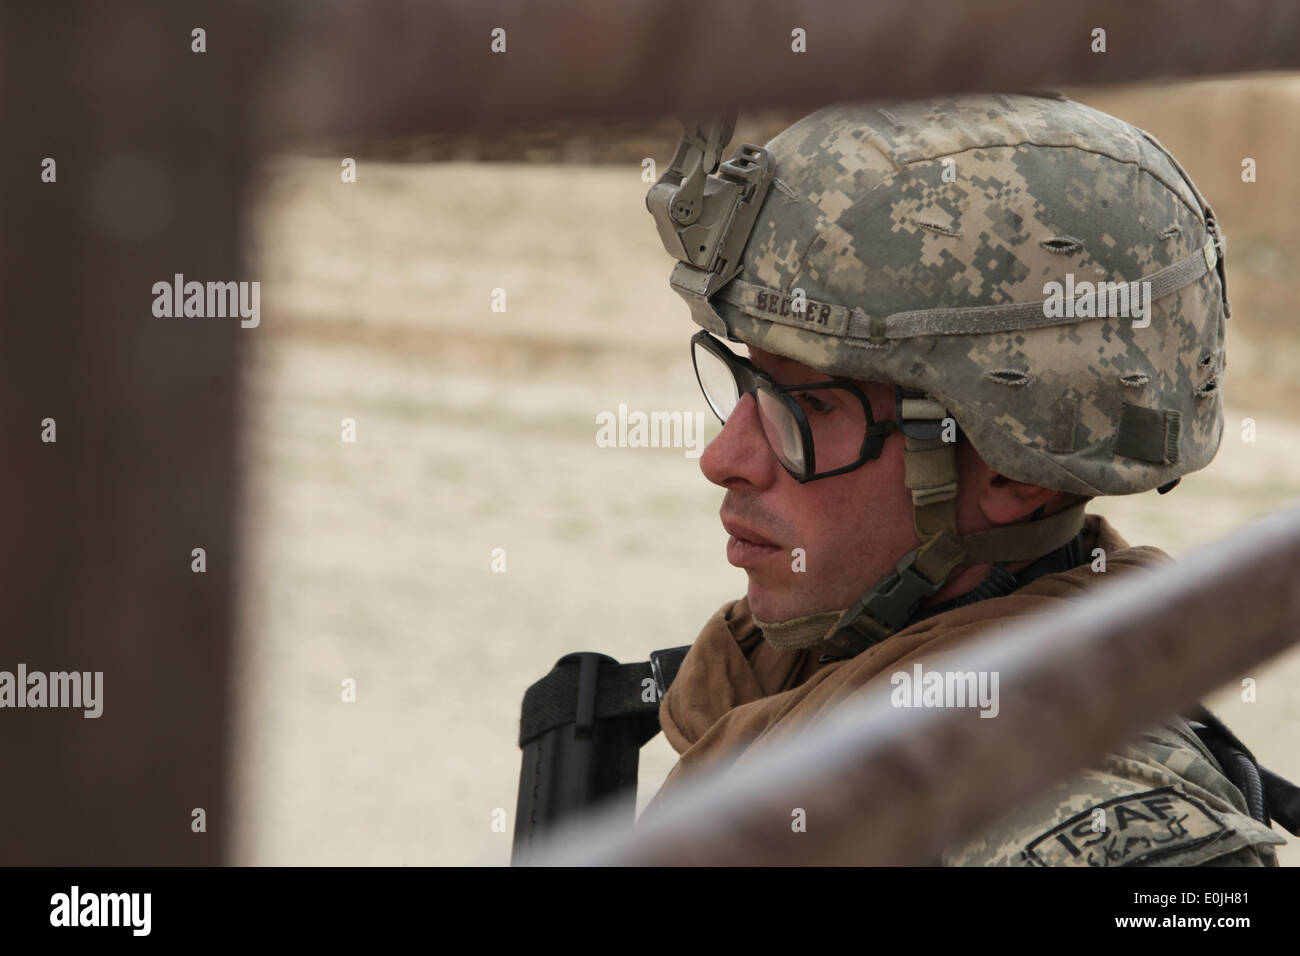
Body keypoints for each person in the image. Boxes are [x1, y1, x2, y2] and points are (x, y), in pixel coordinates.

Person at [639, 92, 1291, 865]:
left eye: (806, 406)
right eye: (747, 385)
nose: (725, 458)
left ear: (1014, 474)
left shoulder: (1073, 825)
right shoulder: (788, 680)